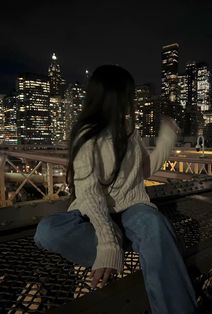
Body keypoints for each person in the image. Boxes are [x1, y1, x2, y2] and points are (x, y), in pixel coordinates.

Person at [34, 65, 197, 313]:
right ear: (116, 97)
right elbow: (90, 195)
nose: (131, 100)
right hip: (94, 214)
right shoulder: (87, 137)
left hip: (132, 209)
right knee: (47, 231)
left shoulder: (131, 132)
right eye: (129, 95)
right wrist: (108, 243)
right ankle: (121, 247)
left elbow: (144, 171)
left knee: (153, 222)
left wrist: (166, 139)